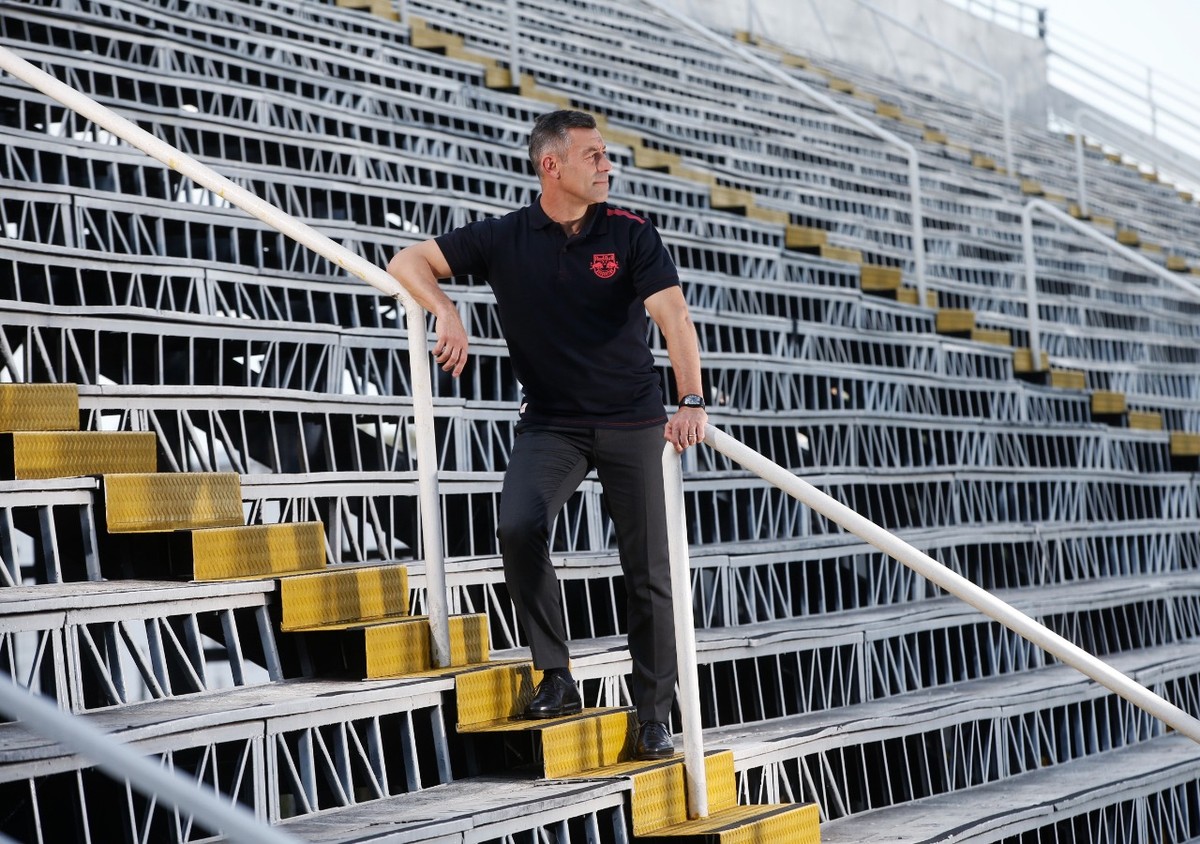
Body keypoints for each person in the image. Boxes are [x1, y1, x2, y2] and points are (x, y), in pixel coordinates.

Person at [387, 109, 708, 760]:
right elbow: (407, 259)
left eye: (608, 155)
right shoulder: (506, 238)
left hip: (634, 420)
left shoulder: (632, 234)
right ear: (551, 164)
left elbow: (674, 317)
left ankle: (652, 717)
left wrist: (691, 399)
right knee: (518, 525)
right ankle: (555, 675)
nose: (608, 166)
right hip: (553, 422)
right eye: (594, 156)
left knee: (648, 574)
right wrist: (446, 310)